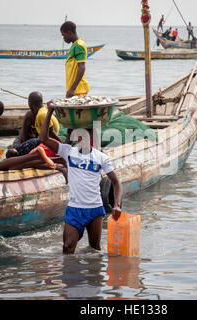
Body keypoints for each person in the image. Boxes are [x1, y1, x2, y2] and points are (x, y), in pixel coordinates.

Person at [39, 102, 123, 254]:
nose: (79, 139)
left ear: (89, 137)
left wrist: (116, 205)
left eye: (82, 135)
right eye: (77, 136)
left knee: (95, 250)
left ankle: (93, 277)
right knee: (68, 247)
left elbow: (116, 183)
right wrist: (50, 111)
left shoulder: (101, 158)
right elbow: (43, 138)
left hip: (95, 210)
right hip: (74, 209)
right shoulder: (68, 151)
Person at [60, 21, 89, 99]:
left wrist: (72, 89)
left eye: (63, 35)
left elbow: (82, 67)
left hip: (78, 91)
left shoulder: (79, 45)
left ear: (69, 33)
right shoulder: (75, 45)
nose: (63, 38)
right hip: (74, 90)